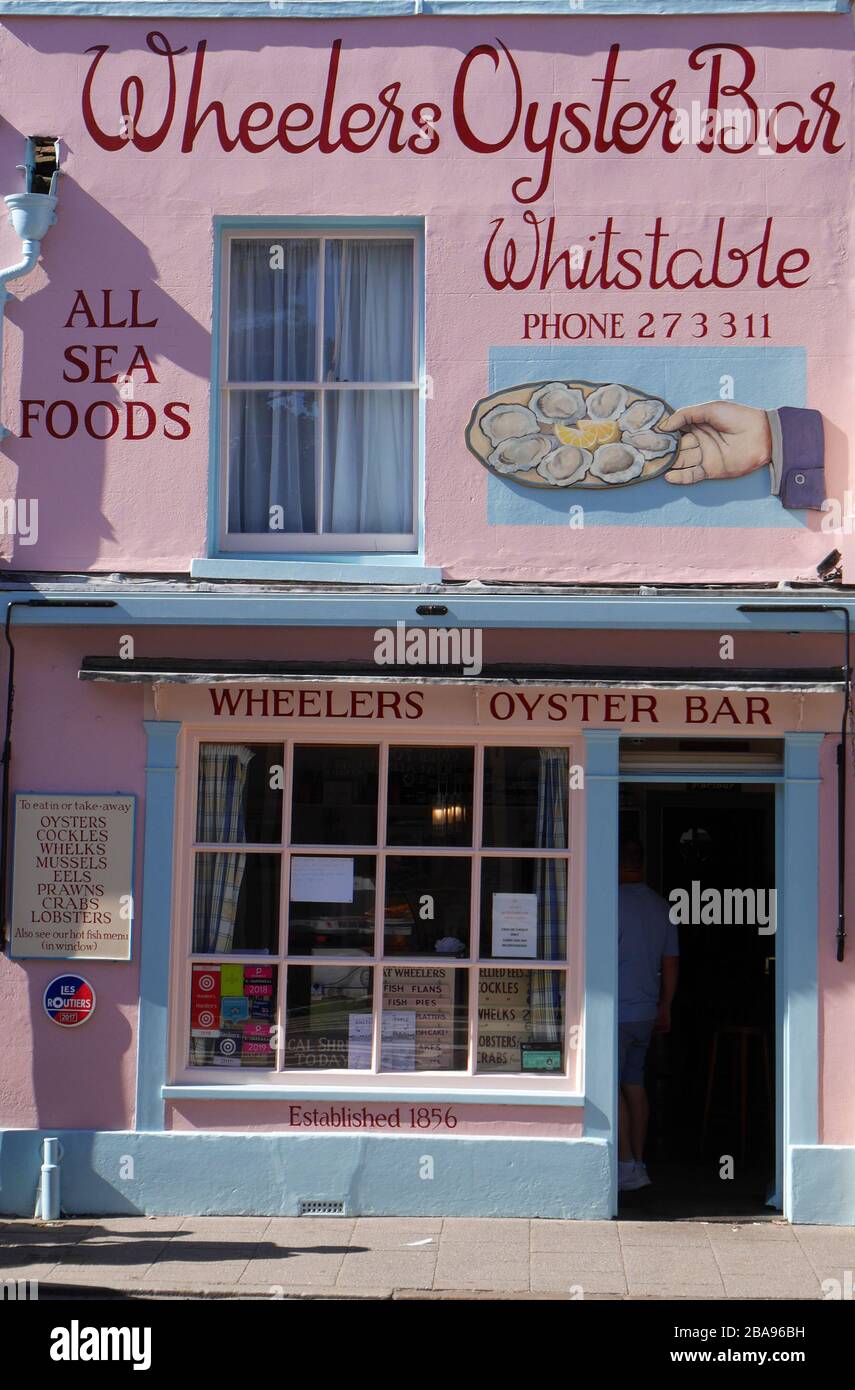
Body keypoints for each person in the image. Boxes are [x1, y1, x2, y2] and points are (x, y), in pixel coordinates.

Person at [618, 837, 679, 1193]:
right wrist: (665, 1005)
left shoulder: (609, 903)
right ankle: (639, 1161)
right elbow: (670, 961)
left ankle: (626, 1164)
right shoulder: (661, 906)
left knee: (609, 1085)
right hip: (645, 1009)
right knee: (635, 1084)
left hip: (616, 1009)